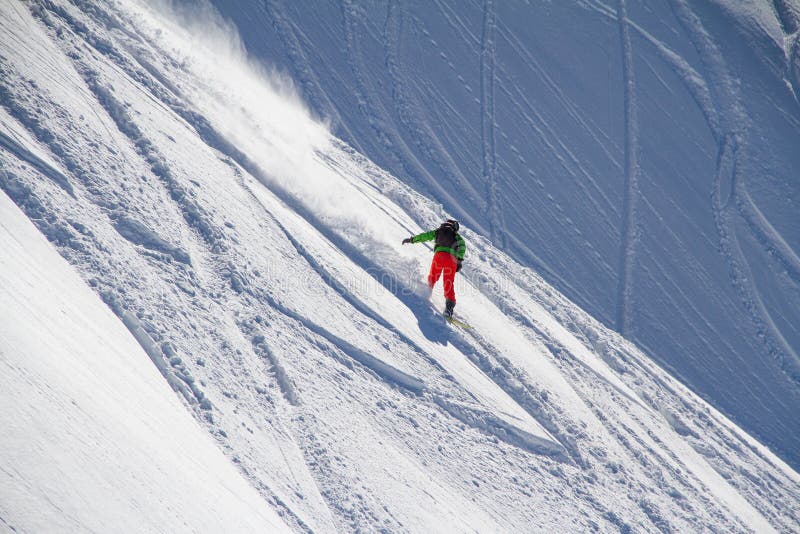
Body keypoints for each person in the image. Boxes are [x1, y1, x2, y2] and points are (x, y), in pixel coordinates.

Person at [402, 219, 466, 318]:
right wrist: (459, 261)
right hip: (451, 260)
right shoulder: (457, 237)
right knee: (448, 281)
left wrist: (412, 240)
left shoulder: (438, 232)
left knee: (433, 276)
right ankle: (449, 308)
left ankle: (426, 292)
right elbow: (462, 247)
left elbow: (425, 236)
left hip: (439, 256)